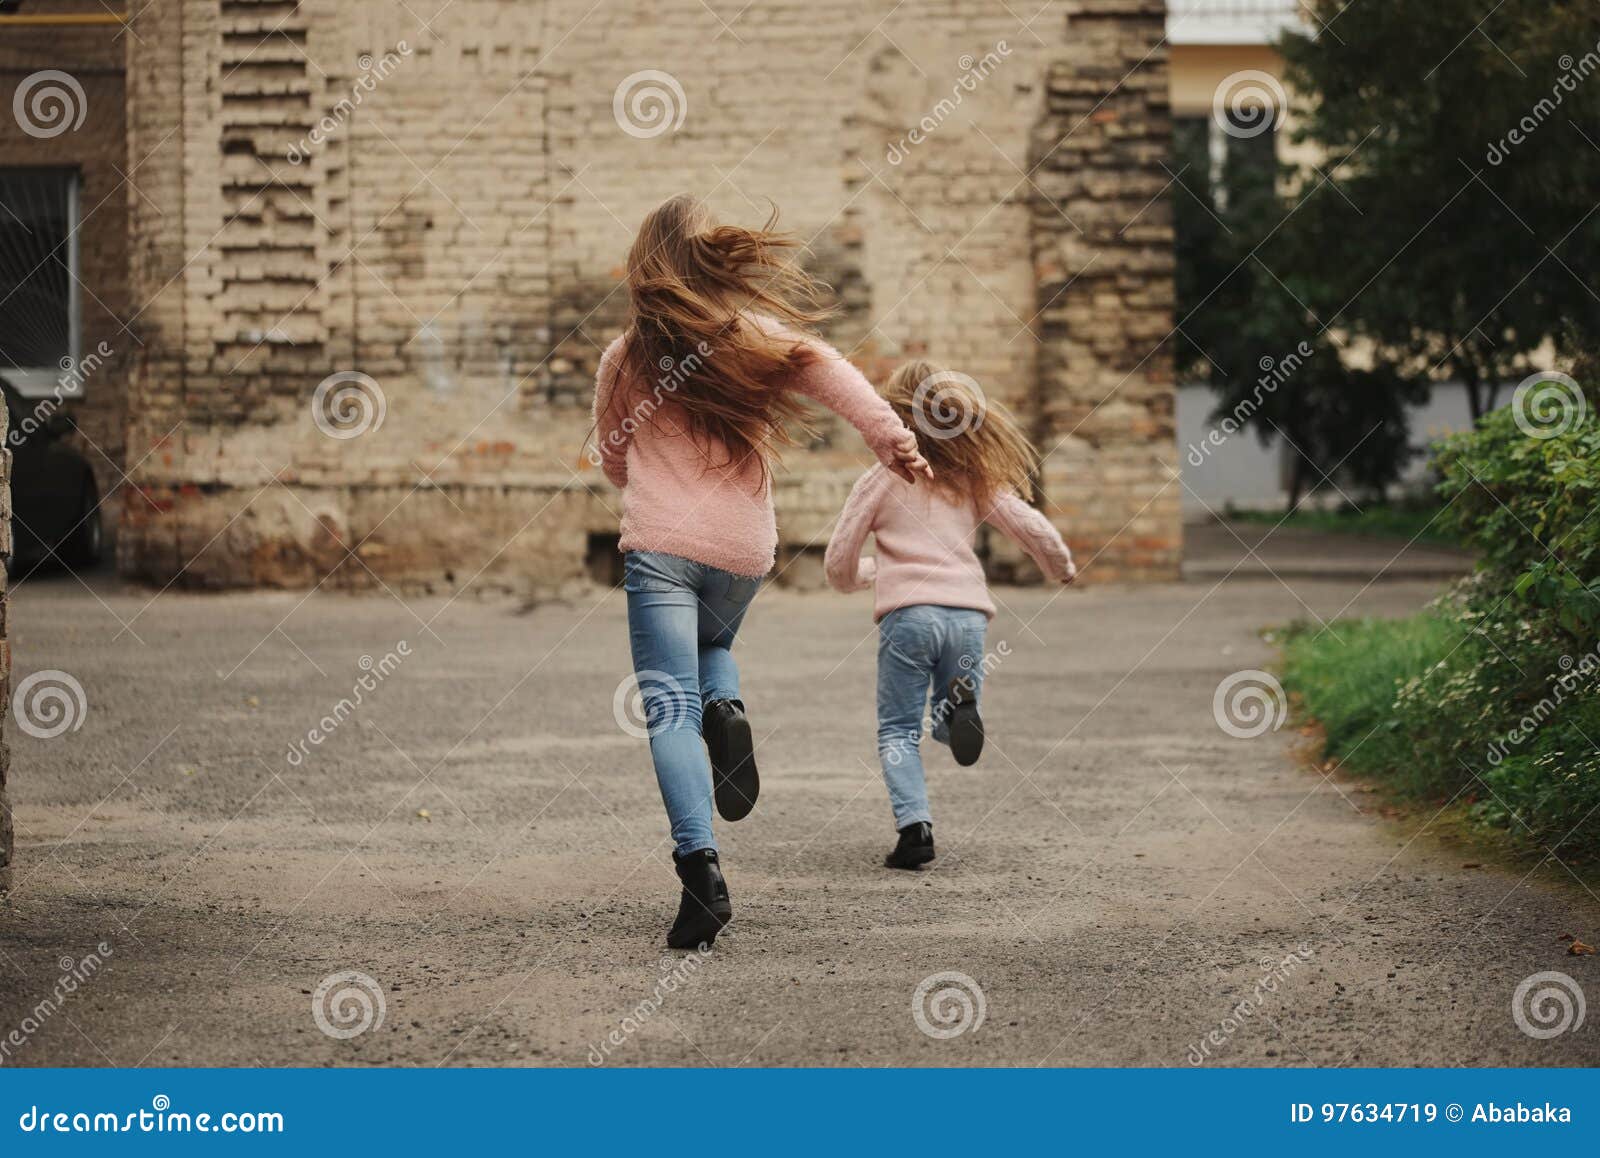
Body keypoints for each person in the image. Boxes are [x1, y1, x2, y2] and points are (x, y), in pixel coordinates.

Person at [591, 195, 932, 948]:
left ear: (647, 269)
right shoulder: (750, 338)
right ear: (709, 260)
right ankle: (731, 710)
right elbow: (823, 363)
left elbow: (614, 457)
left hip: (661, 551)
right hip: (743, 551)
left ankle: (701, 874)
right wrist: (890, 437)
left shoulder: (625, 357)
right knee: (713, 654)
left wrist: (648, 472)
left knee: (669, 709)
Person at [823, 360, 1075, 870]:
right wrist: (1060, 565)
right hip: (967, 616)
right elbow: (1027, 526)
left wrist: (863, 576)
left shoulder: (881, 478)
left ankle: (915, 830)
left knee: (896, 730)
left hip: (909, 616)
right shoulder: (973, 478)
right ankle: (956, 715)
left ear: (894, 417)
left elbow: (838, 558)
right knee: (952, 708)